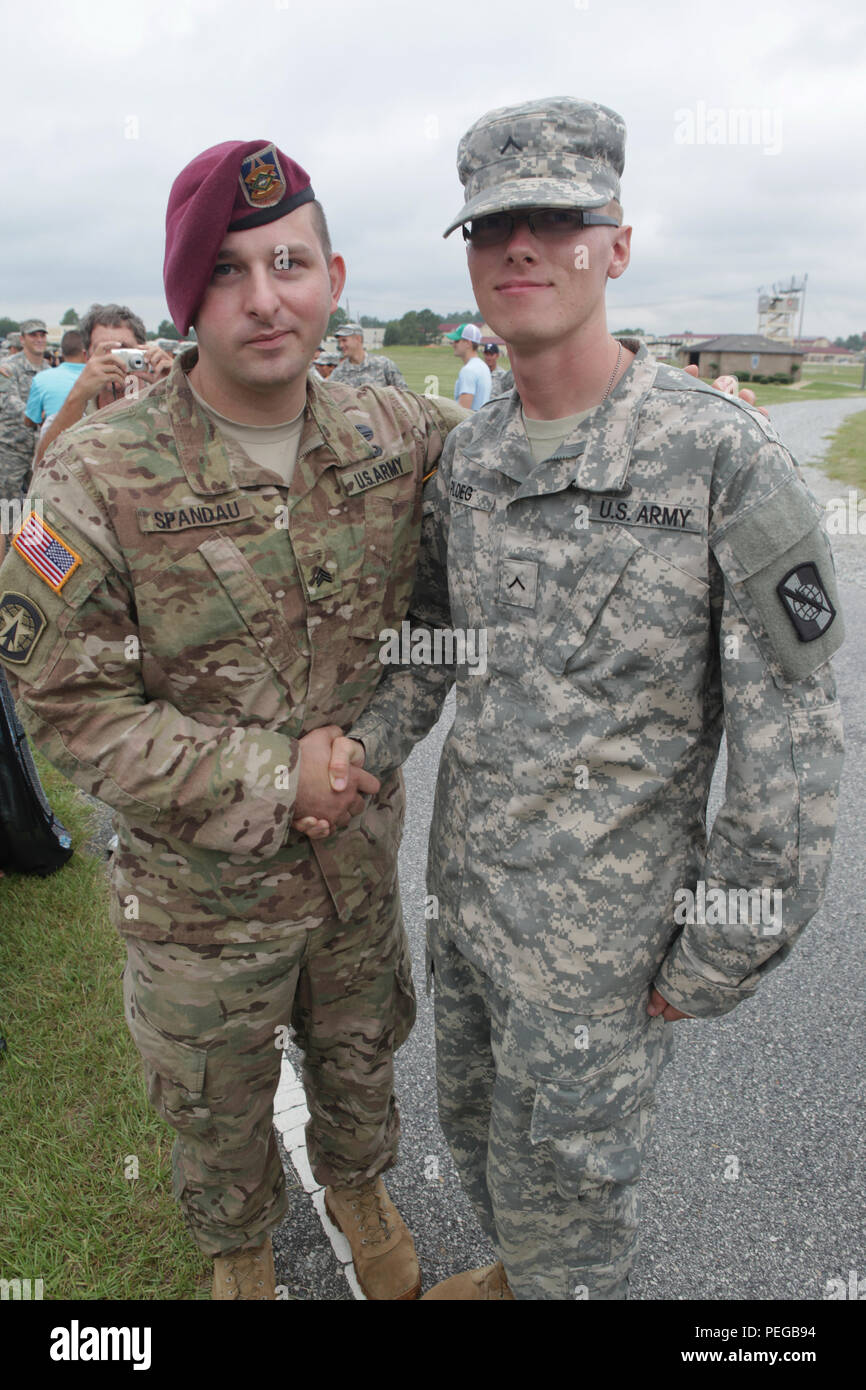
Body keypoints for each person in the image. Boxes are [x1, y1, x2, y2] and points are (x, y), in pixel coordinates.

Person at [318, 96, 845, 1300]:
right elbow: (435, 642)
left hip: (605, 956)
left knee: (573, 1217)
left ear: (615, 242)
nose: (519, 248)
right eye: (492, 226)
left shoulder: (719, 458)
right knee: (482, 1154)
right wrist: (358, 750)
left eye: (557, 221)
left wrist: (716, 950)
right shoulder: (474, 455)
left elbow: (791, 759)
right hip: (470, 908)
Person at [0, 138, 465, 1300]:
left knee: (361, 1064)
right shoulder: (98, 475)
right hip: (198, 905)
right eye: (227, 272)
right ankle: (240, 1254)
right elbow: (63, 699)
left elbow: (439, 613)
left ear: (335, 277)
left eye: (290, 263)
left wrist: (366, 747)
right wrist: (272, 779)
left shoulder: (396, 435)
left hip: (355, 864)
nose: (266, 298)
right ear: (186, 298)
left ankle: (359, 1193)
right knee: (213, 1102)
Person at [31, 304, 173, 471]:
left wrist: (174, 391)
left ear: (142, 352)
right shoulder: (71, 414)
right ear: (87, 358)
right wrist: (77, 397)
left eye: (123, 350)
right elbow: (41, 470)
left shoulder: (164, 402)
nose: (115, 360)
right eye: (104, 350)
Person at [0, 319, 50, 517]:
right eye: (33, 335)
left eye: (42, 335)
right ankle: (7, 547)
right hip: (12, 450)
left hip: (39, 451)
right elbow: (8, 402)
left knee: (37, 507)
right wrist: (37, 415)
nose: (38, 339)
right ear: (22, 339)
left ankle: (31, 545)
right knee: (7, 509)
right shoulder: (8, 367)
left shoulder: (49, 371)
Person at [24, 330, 87, 430]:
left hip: (54, 442)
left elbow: (29, 421)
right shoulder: (101, 378)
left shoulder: (41, 379)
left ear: (62, 352)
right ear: (86, 351)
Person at [329, 322, 407, 388]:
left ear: (358, 339)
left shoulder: (383, 365)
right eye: (339, 342)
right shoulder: (338, 373)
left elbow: (404, 395)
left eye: (344, 340)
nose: (341, 345)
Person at [446, 322, 491, 409]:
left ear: (468, 343)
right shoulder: (483, 366)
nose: (453, 344)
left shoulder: (468, 370)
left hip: (471, 421)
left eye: (457, 341)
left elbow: (463, 411)